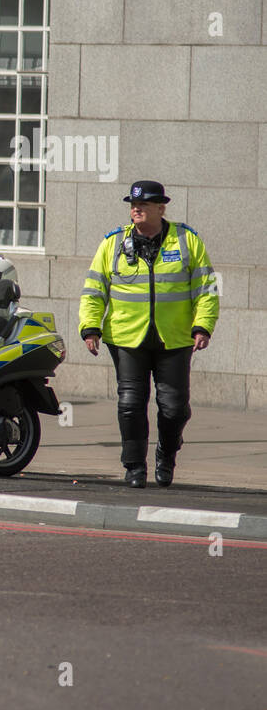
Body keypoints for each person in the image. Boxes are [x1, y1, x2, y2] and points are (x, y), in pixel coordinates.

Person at [79, 180, 218, 489]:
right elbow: (93, 290)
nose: (136, 209)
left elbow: (207, 290)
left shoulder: (187, 241)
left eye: (144, 204)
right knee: (130, 403)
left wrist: (203, 325)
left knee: (174, 407)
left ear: (161, 208)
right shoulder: (113, 243)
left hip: (175, 337)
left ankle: (166, 454)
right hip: (126, 337)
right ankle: (134, 467)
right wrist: (90, 327)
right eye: (133, 205)